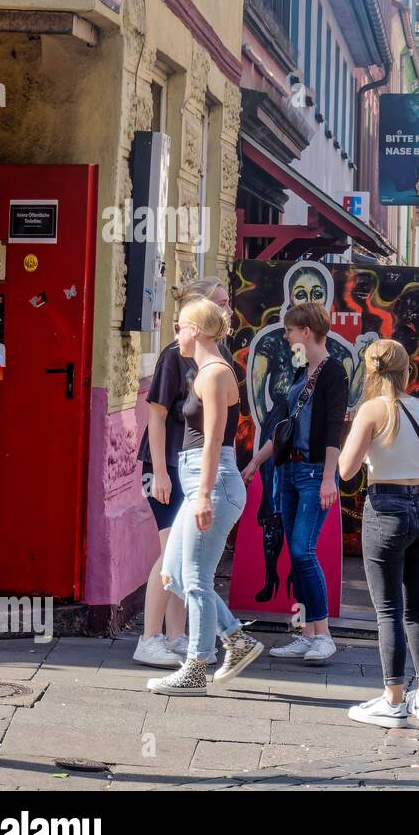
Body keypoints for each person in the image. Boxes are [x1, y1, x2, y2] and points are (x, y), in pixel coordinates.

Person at [148, 298, 264, 695]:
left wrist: (202, 496)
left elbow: (215, 438)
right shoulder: (205, 370)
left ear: (196, 330)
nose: (176, 334)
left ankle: (196, 667)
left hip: (212, 481)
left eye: (179, 327)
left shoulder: (213, 373)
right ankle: (236, 638)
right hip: (199, 478)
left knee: (196, 580)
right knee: (174, 574)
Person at [337, 340, 419, 727]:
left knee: (388, 612)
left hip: (385, 507)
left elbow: (347, 471)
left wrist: (360, 441)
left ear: (370, 371)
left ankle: (394, 699)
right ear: (407, 372)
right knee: (417, 609)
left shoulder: (371, 410)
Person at [243, 302, 348, 662]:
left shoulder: (334, 372)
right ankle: (307, 633)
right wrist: (256, 462)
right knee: (296, 551)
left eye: (289, 330)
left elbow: (335, 426)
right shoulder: (304, 371)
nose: (286, 337)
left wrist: (329, 477)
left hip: (314, 472)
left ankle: (323, 634)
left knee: (304, 551)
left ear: (306, 331)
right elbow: (282, 428)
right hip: (288, 471)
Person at [134, 276, 230, 669]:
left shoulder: (212, 352)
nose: (228, 308)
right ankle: (148, 638)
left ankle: (176, 636)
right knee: (171, 552)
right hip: (167, 466)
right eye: (221, 302)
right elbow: (156, 417)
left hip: (187, 468)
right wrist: (159, 471)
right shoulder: (174, 354)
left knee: (182, 553)